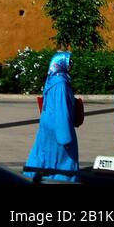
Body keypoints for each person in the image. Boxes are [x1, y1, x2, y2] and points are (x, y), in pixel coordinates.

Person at [24, 51, 80, 182]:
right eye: (68, 62)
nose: (71, 65)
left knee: (44, 152)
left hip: (47, 124)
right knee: (63, 156)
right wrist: (65, 136)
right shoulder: (61, 83)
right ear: (60, 63)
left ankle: (37, 176)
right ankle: (62, 179)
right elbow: (61, 109)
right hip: (58, 125)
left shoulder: (52, 79)